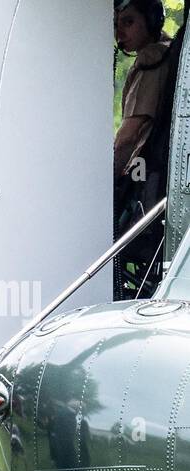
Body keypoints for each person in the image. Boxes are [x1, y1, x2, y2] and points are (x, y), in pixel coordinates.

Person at [114, 0, 175, 297]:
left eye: (128, 22)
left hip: (145, 178)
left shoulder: (152, 58)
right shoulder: (169, 52)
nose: (119, 32)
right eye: (116, 24)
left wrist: (109, 176)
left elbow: (130, 133)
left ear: (151, 21)